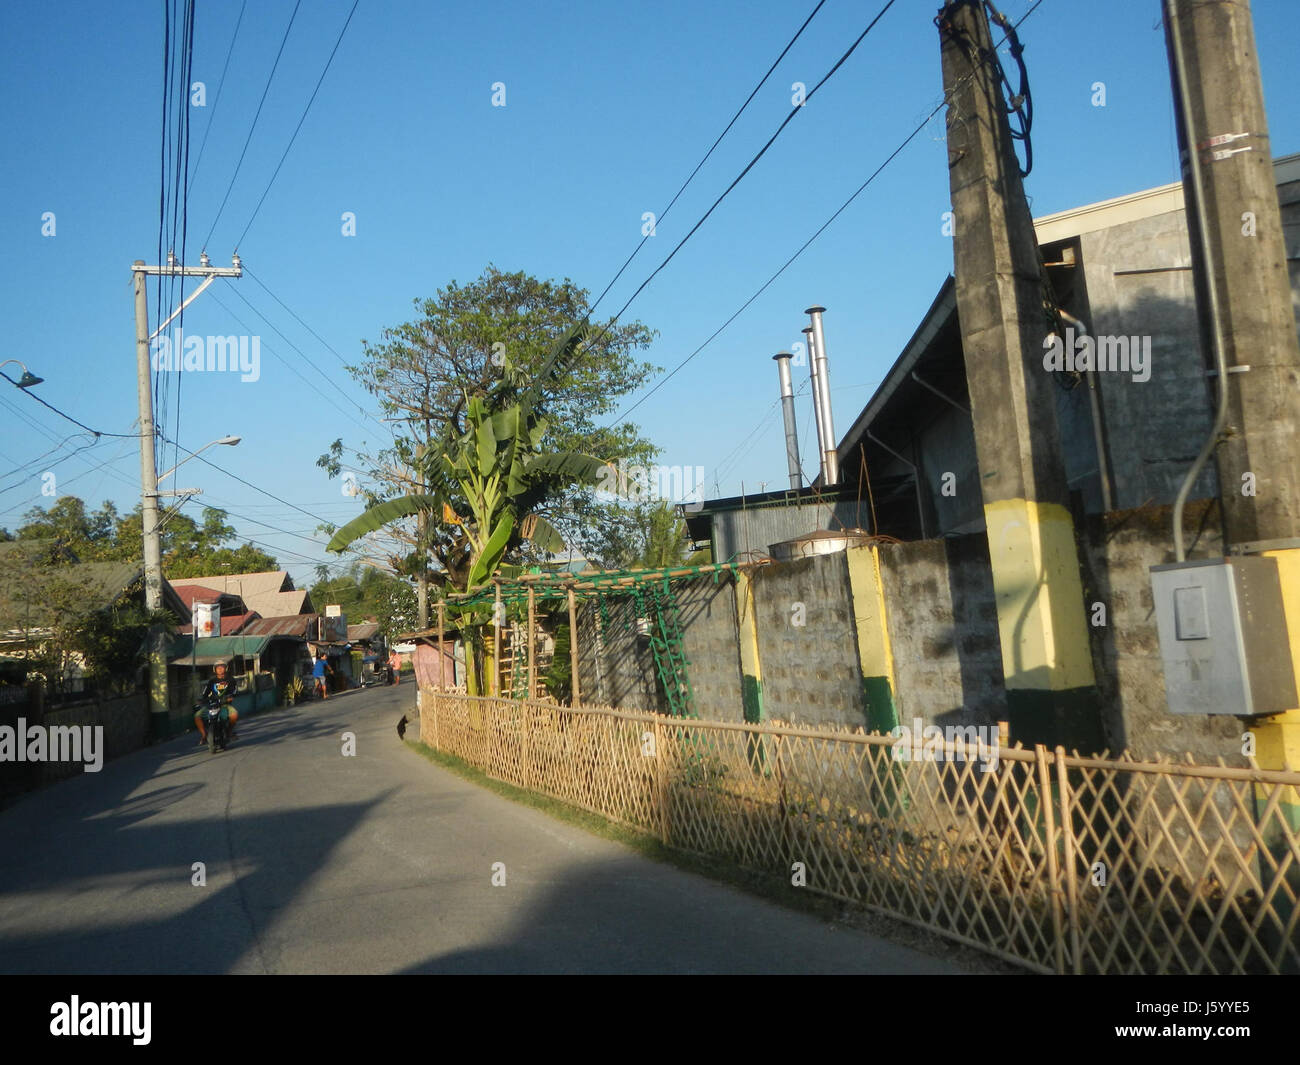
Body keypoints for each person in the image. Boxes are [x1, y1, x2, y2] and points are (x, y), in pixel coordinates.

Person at [195, 661, 239, 745]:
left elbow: (235, 690)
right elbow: (205, 693)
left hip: (225, 704)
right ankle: (204, 735)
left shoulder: (230, 679)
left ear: (225, 668)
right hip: (212, 705)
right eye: (218, 668)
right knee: (197, 716)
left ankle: (229, 732)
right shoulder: (212, 681)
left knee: (234, 715)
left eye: (222, 667)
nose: (220, 669)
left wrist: (230, 696)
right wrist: (201, 700)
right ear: (215, 670)